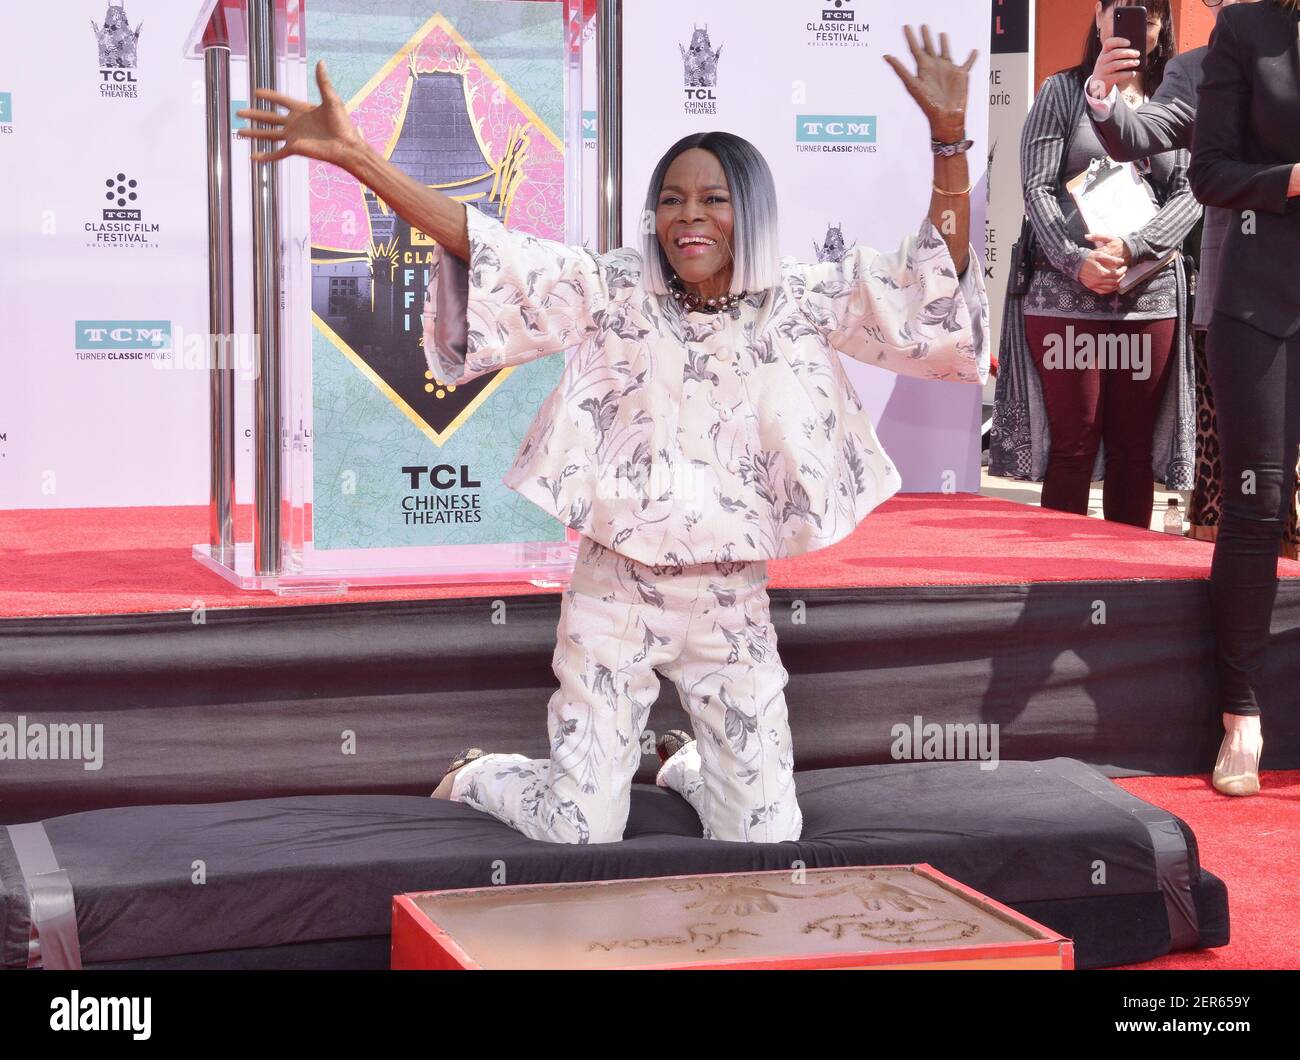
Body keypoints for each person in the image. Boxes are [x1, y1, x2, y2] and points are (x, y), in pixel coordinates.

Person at [237, 25, 990, 844]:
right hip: (615, 591)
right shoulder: (613, 289)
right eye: (672, 199)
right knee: (578, 832)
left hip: (732, 598)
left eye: (713, 198)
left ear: (754, 207)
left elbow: (930, 292)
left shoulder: (803, 299)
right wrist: (360, 161)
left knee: (766, 839)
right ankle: (485, 772)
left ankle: (688, 770)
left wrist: (949, 142)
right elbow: (483, 242)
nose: (688, 217)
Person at [1085, 0, 1300, 559]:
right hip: (1249, 302)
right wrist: (1106, 98)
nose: (1223, 5)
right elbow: (1144, 134)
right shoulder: (1199, 67)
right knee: (1254, 491)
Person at [991, 0, 1200, 527]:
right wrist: (1076, 260)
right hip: (1065, 296)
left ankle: (1129, 584)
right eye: (1123, 12)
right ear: (1099, 17)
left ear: (1161, 29)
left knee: (1133, 451)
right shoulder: (1060, 91)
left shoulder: (1174, 97)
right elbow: (1035, 188)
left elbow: (1192, 190)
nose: (1137, 26)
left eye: (1149, 18)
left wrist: (1136, 248)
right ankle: (1062, 582)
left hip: (1148, 298)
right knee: (1074, 445)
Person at [1187, 0, 1300, 795]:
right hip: (1263, 309)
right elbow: (1209, 171)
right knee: (1256, 510)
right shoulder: (1249, 29)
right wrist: (1291, 179)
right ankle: (1243, 714)